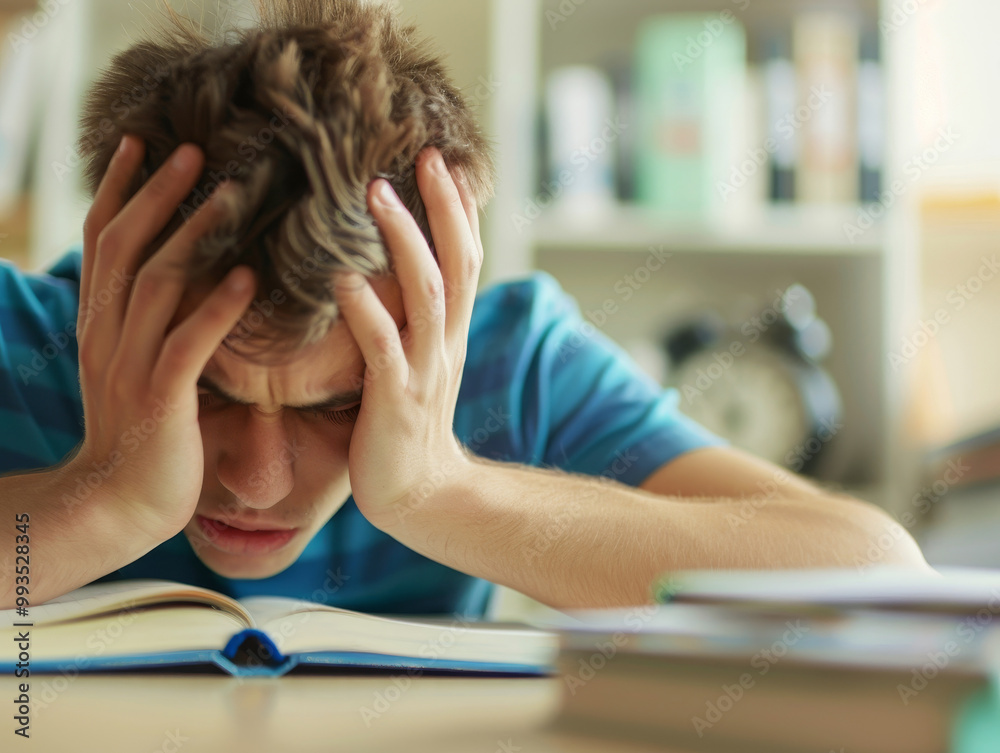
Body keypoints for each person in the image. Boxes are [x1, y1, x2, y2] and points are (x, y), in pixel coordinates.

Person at [0, 0, 928, 616]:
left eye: (338, 405)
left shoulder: (507, 361)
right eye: (200, 389)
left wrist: (444, 489)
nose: (255, 480)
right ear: (112, 272)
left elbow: (877, 579)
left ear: (444, 301)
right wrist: (102, 499)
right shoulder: (20, 337)